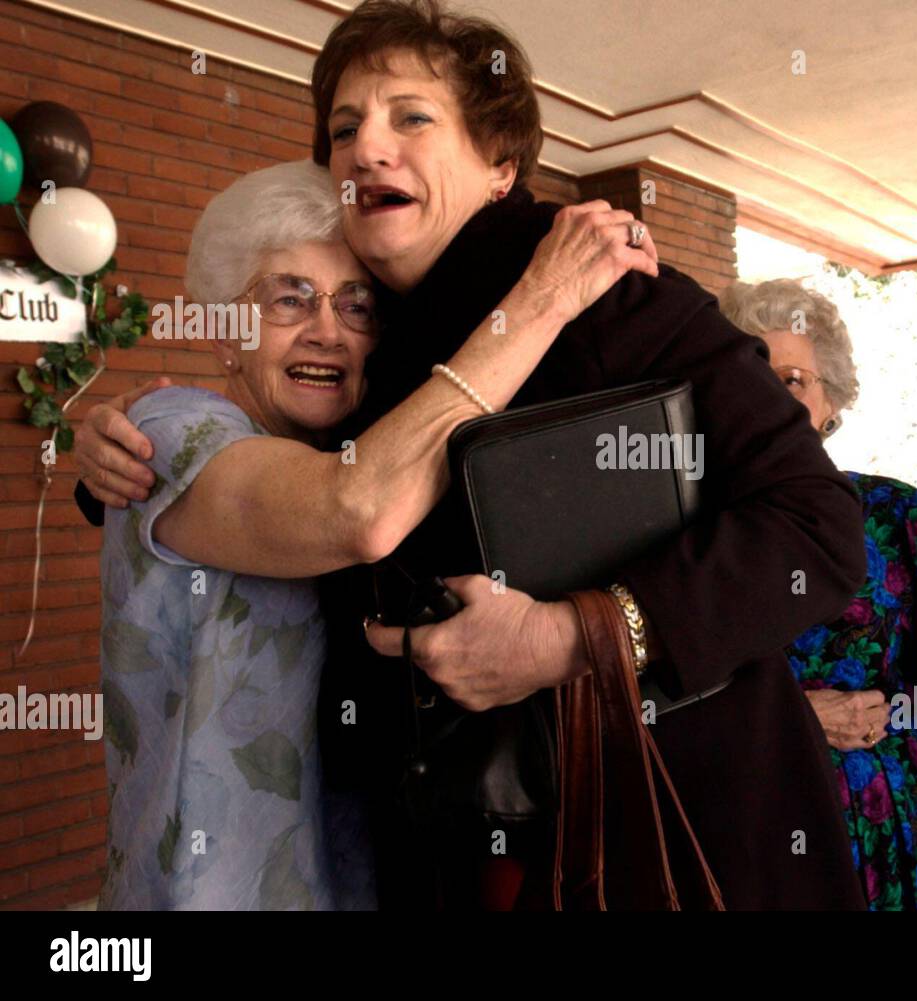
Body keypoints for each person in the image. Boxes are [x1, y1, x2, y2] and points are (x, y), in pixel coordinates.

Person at [76, 0, 867, 910]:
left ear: (501, 165)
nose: (366, 148)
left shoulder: (604, 283)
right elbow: (298, 490)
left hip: (672, 835)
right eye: (344, 128)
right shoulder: (363, 343)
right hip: (432, 856)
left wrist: (576, 636)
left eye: (411, 117)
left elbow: (818, 529)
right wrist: (130, 454)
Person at [94, 158, 649, 909]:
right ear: (224, 333)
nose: (328, 331)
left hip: (351, 874)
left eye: (356, 308)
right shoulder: (174, 427)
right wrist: (545, 297)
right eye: (291, 300)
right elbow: (353, 511)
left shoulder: (354, 448)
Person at [721, 280, 917, 910]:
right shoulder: (682, 531)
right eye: (746, 372)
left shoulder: (905, 519)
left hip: (904, 832)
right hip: (750, 827)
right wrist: (791, 718)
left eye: (792, 379)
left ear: (830, 402)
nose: (767, 395)